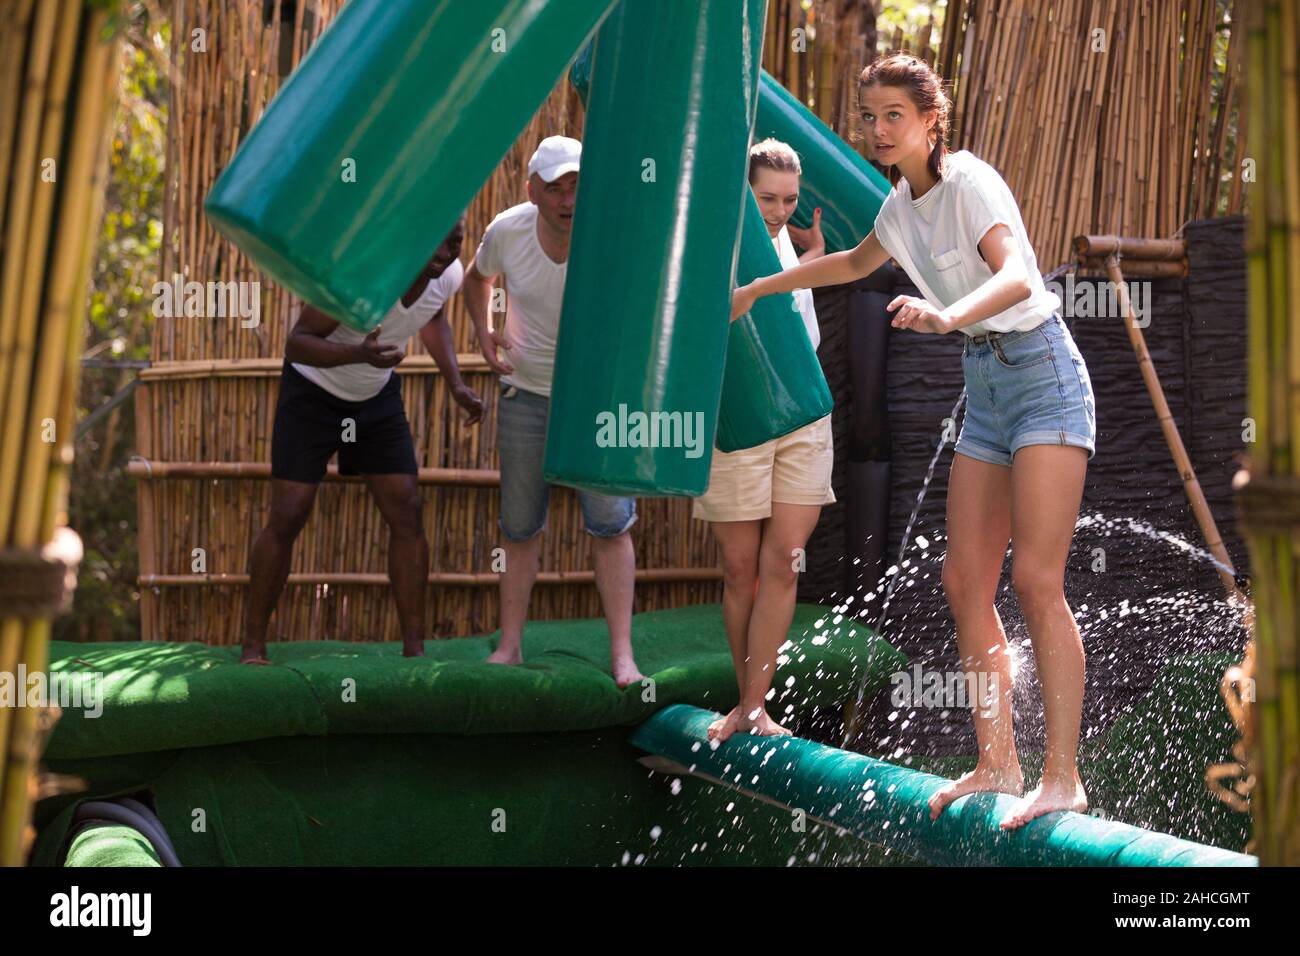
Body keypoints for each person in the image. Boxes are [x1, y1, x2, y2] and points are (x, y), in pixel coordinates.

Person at [731, 53, 1096, 830]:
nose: (878, 130)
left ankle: (1061, 776)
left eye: (893, 114)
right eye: (868, 116)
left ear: (932, 120)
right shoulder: (900, 208)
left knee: (1035, 578)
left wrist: (947, 315)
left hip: (1042, 379)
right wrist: (762, 286)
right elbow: (856, 262)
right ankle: (998, 761)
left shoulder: (969, 182)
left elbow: (1019, 280)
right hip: (988, 387)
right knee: (965, 579)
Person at [241, 217, 483, 663]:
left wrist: (456, 384)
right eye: (437, 243)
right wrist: (357, 354)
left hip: (374, 395)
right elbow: (298, 343)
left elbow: (433, 319)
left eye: (455, 244)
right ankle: (254, 644)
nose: (446, 254)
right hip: (313, 393)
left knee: (406, 508)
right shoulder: (364, 277)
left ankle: (415, 648)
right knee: (289, 513)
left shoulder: (446, 275)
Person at [464, 135, 643, 688]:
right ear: (533, 192)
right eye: (557, 189)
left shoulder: (613, 230)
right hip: (526, 395)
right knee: (519, 529)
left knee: (611, 525)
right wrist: (482, 335)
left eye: (578, 187)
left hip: (598, 402)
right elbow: (476, 279)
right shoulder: (508, 229)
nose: (569, 200)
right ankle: (510, 646)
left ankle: (622, 656)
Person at [698, 138, 832, 742]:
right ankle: (741, 699)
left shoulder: (801, 254)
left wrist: (808, 263)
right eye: (766, 198)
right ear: (741, 193)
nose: (779, 211)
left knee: (783, 560)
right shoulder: (715, 249)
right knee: (739, 566)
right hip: (739, 418)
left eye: (790, 200)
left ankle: (755, 707)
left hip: (804, 415)